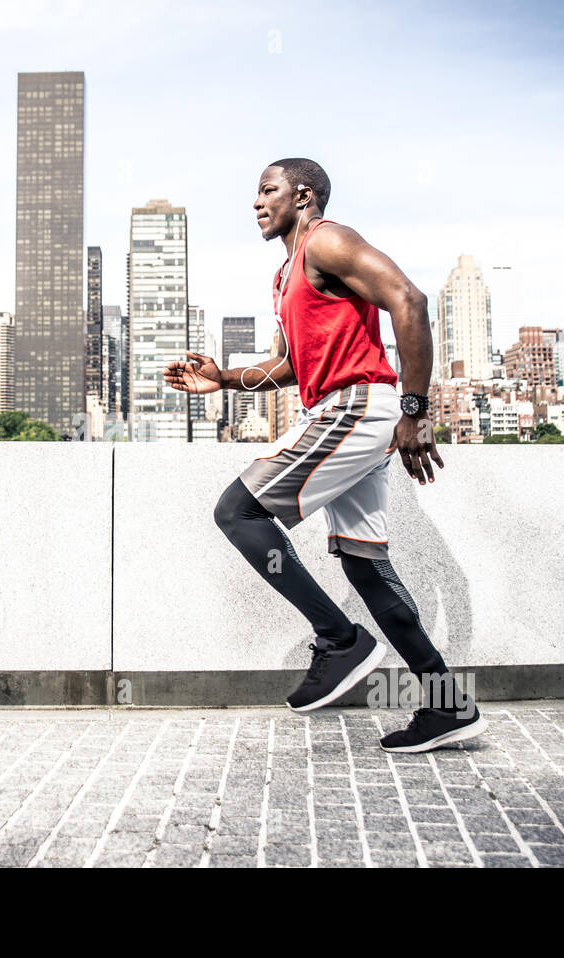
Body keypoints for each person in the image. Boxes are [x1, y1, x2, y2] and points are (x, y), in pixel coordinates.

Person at [162, 158, 486, 753]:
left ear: (303, 195)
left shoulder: (328, 240)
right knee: (363, 564)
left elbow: (410, 301)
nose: (256, 202)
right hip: (339, 409)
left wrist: (415, 411)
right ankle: (446, 704)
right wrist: (225, 379)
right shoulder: (286, 274)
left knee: (239, 512)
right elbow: (290, 366)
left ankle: (339, 640)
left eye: (268, 190)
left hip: (359, 405)